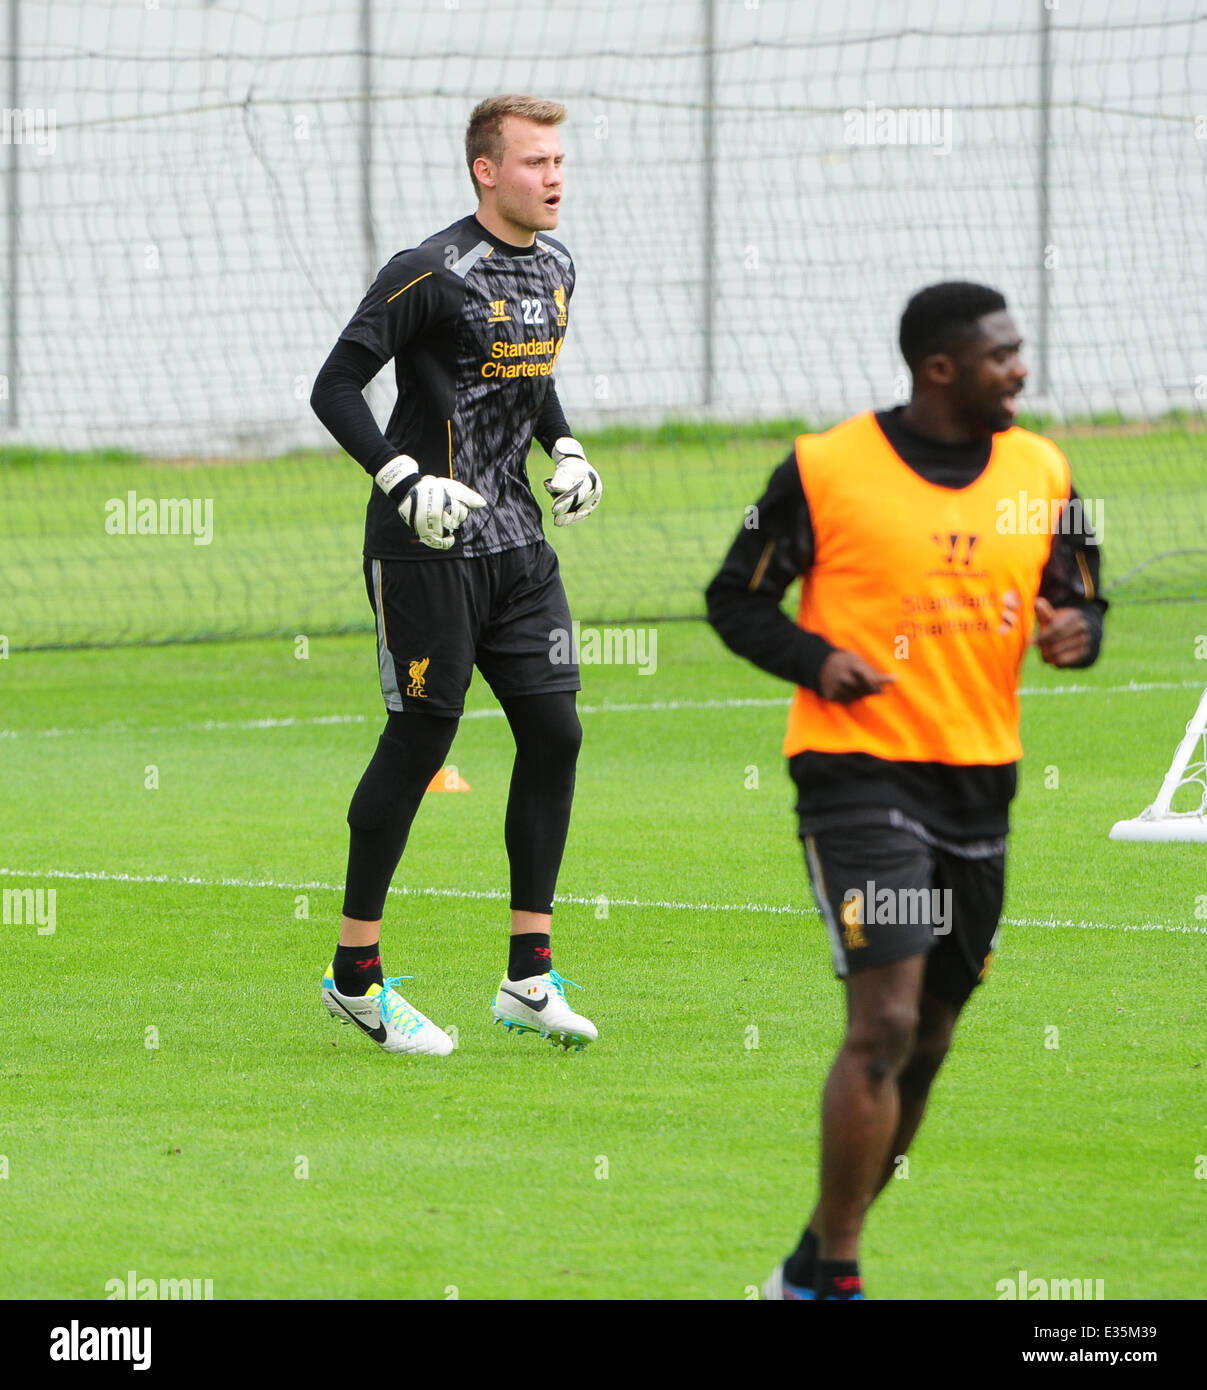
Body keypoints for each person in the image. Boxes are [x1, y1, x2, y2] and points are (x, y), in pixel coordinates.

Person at [706, 282, 1106, 1299]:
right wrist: (817, 660)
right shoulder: (823, 467)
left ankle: (804, 1261)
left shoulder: (1045, 471)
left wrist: (1076, 634)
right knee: (881, 1022)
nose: (1021, 368)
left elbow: (1080, 599)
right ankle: (838, 1278)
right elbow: (733, 597)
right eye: (1002, 354)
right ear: (940, 368)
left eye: (1019, 351)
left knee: (929, 1035)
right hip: (857, 777)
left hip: (979, 783)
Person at [308, 94, 600, 1056]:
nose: (552, 176)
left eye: (559, 160)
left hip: (517, 543)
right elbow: (335, 385)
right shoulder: (426, 270)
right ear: (486, 170)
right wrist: (402, 481)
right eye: (533, 163)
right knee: (421, 742)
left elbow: (526, 376)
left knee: (555, 732)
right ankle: (355, 977)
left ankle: (527, 975)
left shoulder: (556, 264)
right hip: (426, 547)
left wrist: (565, 448)